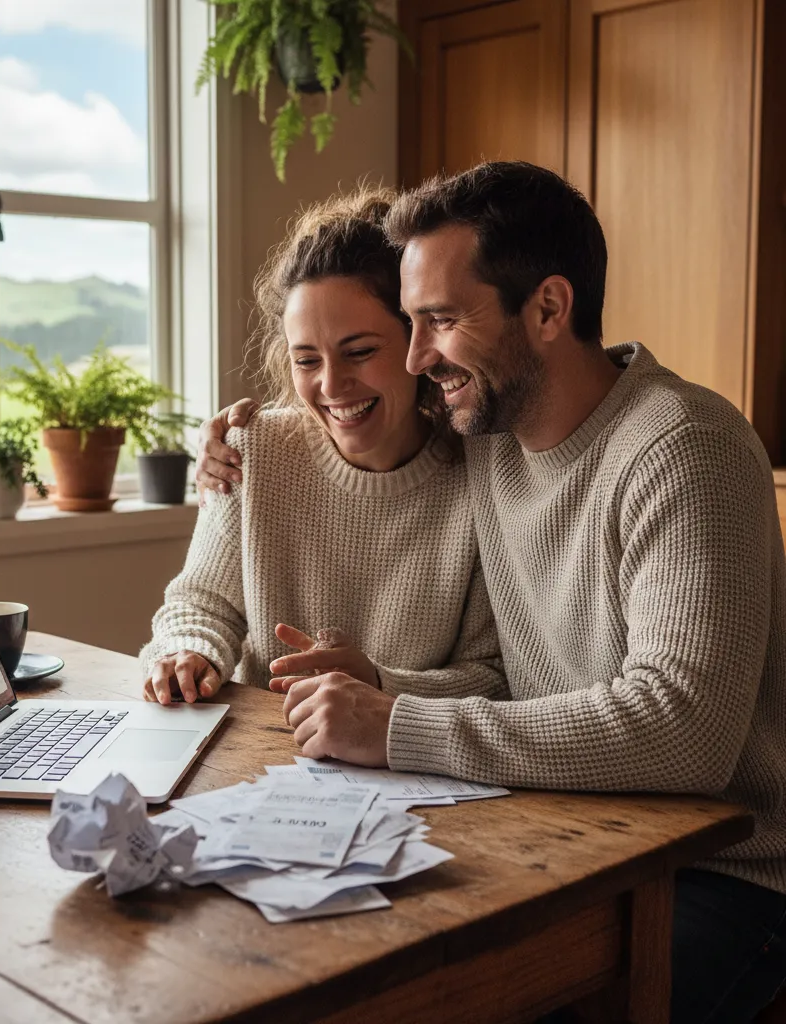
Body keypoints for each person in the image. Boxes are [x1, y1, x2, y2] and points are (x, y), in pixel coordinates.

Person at [196, 161, 786, 1022]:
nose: (414, 354)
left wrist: (398, 722)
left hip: (721, 875)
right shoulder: (491, 438)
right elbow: (353, 422)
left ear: (548, 308)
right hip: (568, 836)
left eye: (437, 320)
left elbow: (681, 731)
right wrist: (234, 447)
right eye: (409, 322)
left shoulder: (684, 450)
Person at [138, 188, 504, 713]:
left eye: (360, 352)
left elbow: (491, 676)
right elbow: (200, 604)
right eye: (306, 360)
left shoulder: (482, 474)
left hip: (412, 762)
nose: (332, 385)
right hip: (264, 749)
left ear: (417, 343)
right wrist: (188, 653)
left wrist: (378, 683)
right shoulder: (251, 449)